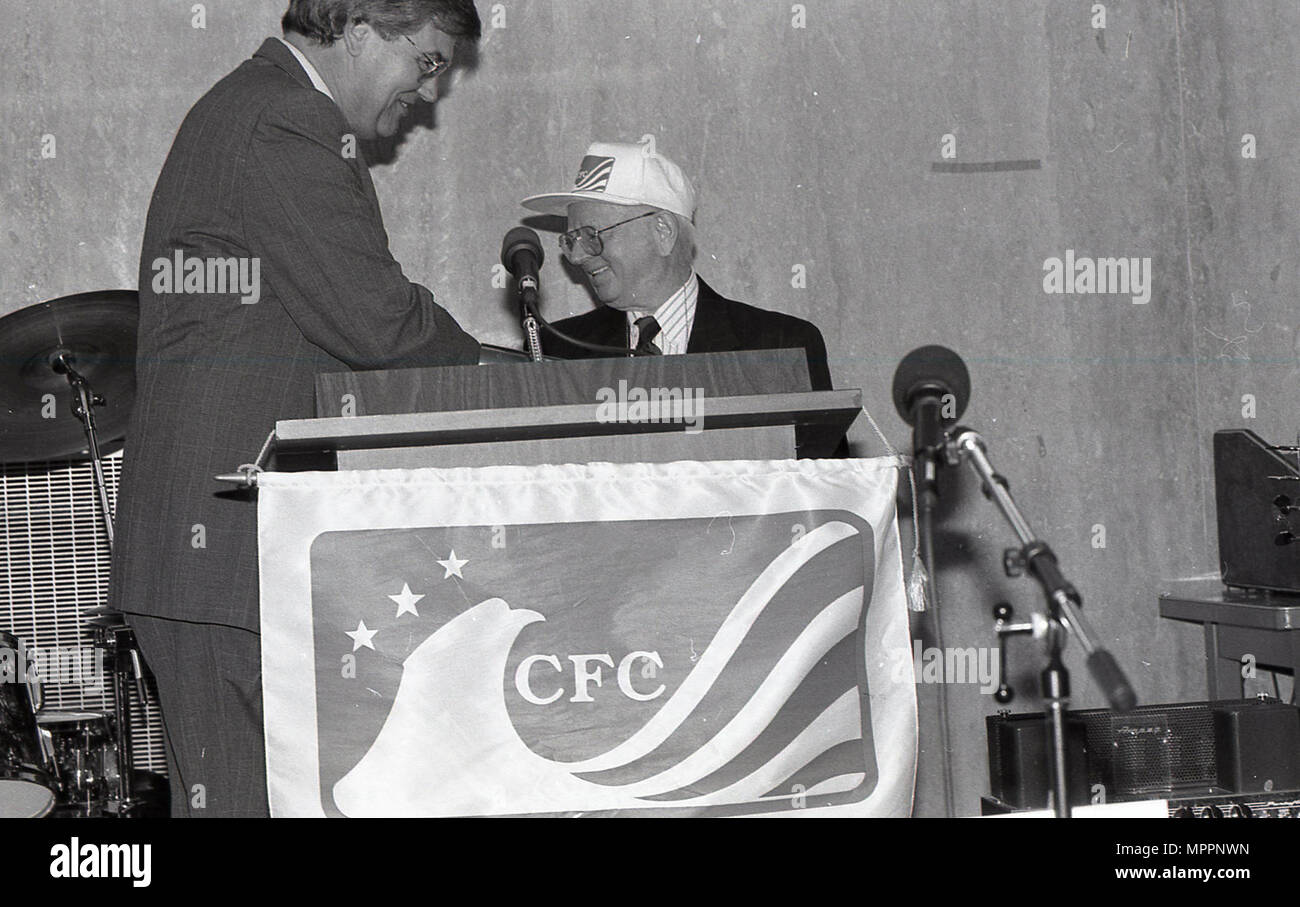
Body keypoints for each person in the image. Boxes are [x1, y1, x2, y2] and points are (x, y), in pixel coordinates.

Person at [109, 0, 483, 817]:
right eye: (425, 61)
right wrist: (501, 372)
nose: (426, 91)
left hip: (227, 555)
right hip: (227, 555)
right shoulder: (284, 117)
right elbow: (376, 319)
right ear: (359, 30)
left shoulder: (256, 107)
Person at [520, 135, 848, 456]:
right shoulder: (556, 351)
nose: (578, 257)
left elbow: (826, 493)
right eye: (571, 241)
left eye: (591, 236)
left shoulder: (780, 346)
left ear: (662, 231)